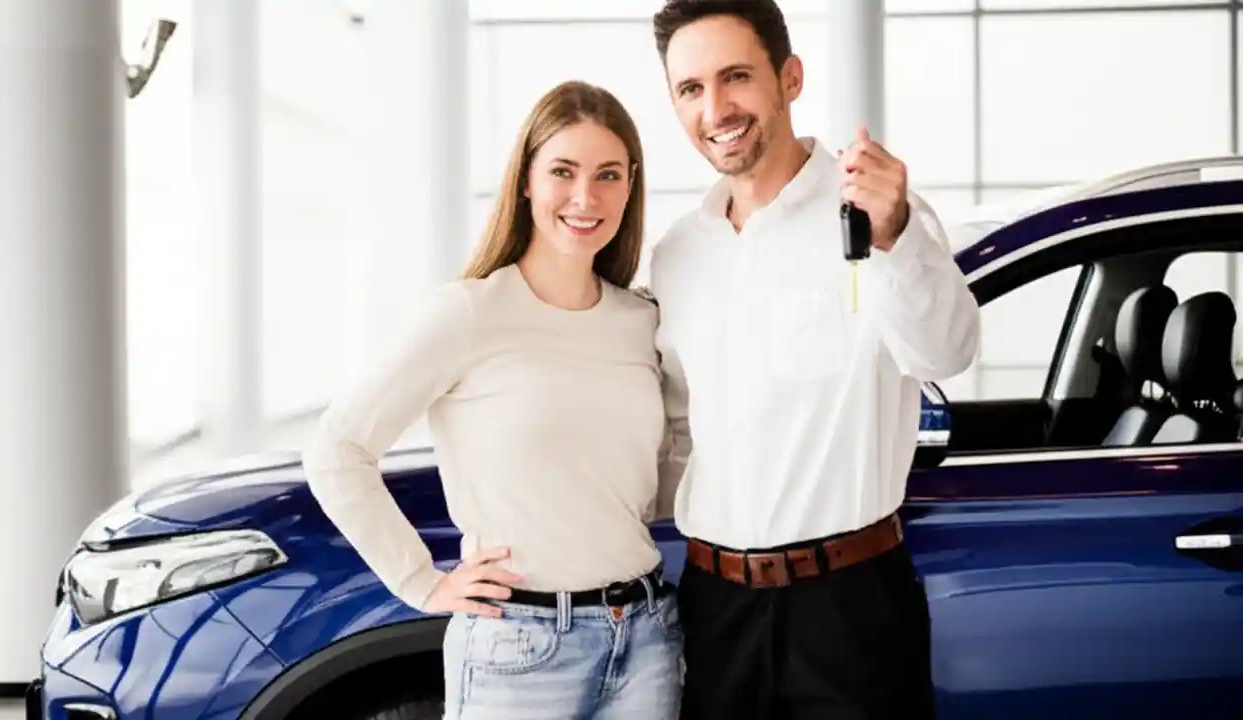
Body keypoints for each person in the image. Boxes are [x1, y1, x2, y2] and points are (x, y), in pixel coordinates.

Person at [302, 80, 682, 720]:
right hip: (520, 651)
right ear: (527, 180)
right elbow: (337, 450)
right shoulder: (467, 314)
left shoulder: (640, 320)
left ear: (630, 186)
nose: (586, 197)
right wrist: (421, 581)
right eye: (563, 170)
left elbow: (655, 479)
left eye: (608, 175)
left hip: (645, 639)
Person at [647, 1, 980, 718]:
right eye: (691, 88)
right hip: (716, 610)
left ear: (789, 77)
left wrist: (894, 239)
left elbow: (946, 352)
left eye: (736, 77)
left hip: (850, 609)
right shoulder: (677, 254)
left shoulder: (878, 211)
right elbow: (677, 431)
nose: (716, 108)